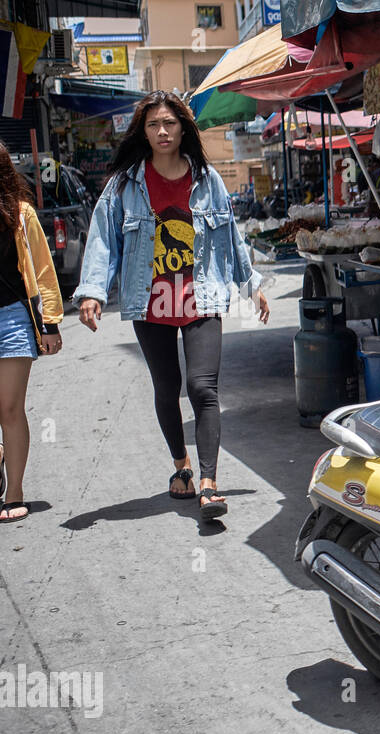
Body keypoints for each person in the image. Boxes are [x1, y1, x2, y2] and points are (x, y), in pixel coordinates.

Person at [74, 90, 270, 521]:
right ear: (143, 131)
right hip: (150, 301)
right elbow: (104, 238)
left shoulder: (207, 178)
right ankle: (180, 464)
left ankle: (209, 483)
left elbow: (229, 235)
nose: (162, 131)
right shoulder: (125, 184)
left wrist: (250, 283)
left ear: (183, 127)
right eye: (153, 124)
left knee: (203, 388)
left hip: (201, 297)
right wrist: (92, 289)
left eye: (170, 123)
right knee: (167, 388)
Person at [0, 143, 64, 523]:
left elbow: (43, 270)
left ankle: (15, 491)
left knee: (8, 407)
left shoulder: (21, 216)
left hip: (11, 319)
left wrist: (51, 323)